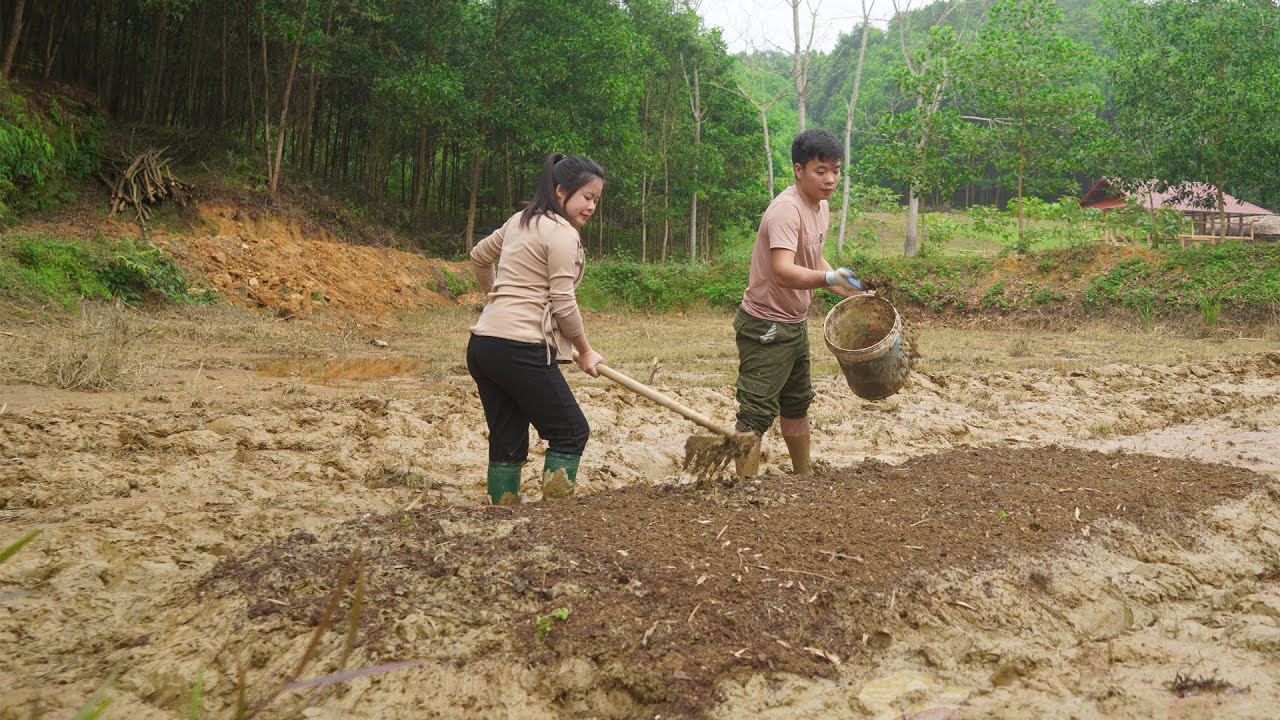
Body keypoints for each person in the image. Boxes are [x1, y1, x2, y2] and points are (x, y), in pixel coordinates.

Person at [467, 153, 606, 504]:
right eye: (587, 197)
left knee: (508, 438)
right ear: (561, 191)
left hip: (484, 346)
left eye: (596, 200)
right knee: (571, 432)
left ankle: (504, 515)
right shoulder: (562, 233)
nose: (591, 207)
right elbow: (563, 302)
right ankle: (555, 519)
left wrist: (496, 296)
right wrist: (586, 350)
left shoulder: (520, 221)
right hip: (520, 349)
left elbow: (479, 257)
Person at [733, 129, 866, 477]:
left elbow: (814, 258)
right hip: (766, 325)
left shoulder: (819, 208)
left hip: (794, 322)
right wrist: (827, 279)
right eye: (820, 171)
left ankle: (803, 477)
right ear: (798, 170)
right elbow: (782, 270)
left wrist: (847, 288)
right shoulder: (786, 211)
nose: (830, 179)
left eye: (836, 170)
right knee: (755, 413)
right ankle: (744, 492)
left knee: (796, 405)